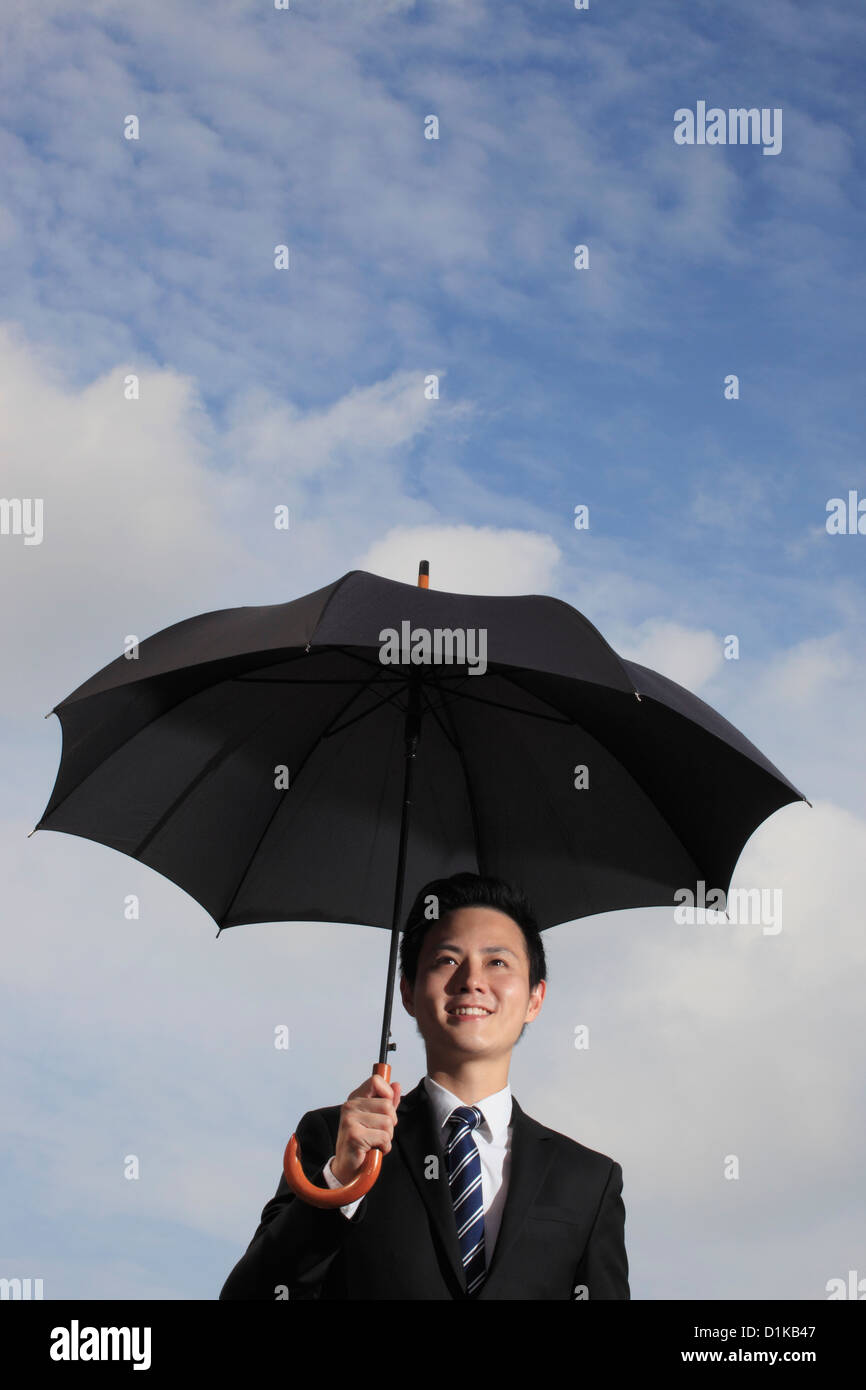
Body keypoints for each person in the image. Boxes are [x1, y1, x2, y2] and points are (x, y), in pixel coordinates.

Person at [219, 871, 629, 1300]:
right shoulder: (335, 1140)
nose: (472, 980)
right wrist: (340, 1181)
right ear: (409, 993)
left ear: (534, 999)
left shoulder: (588, 1181)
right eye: (447, 960)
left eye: (498, 962)